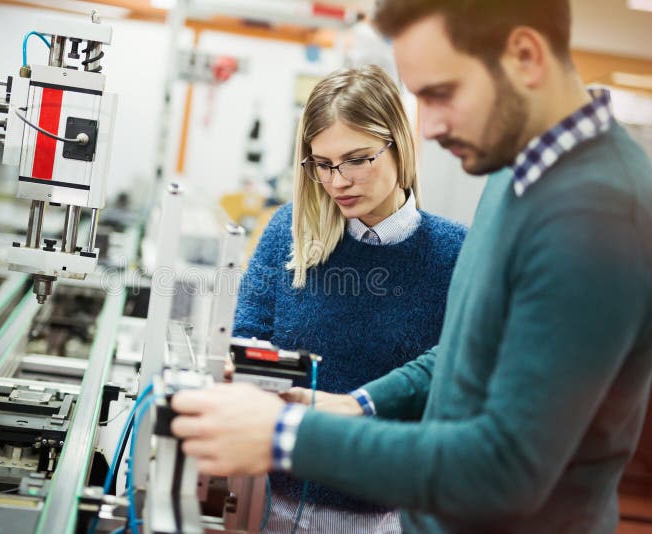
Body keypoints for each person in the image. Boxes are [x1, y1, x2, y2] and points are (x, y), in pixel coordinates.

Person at [170, 0, 652, 532]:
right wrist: (360, 404)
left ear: (525, 56)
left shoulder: (601, 213)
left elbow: (507, 468)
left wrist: (285, 436)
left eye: (442, 93)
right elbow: (461, 349)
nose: (431, 127)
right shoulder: (517, 171)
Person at [230, 64, 466, 533]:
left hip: (382, 517)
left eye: (358, 159)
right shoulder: (288, 231)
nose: (338, 181)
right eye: (323, 164)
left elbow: (451, 385)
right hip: (268, 501)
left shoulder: (456, 253)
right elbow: (244, 341)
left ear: (399, 143)